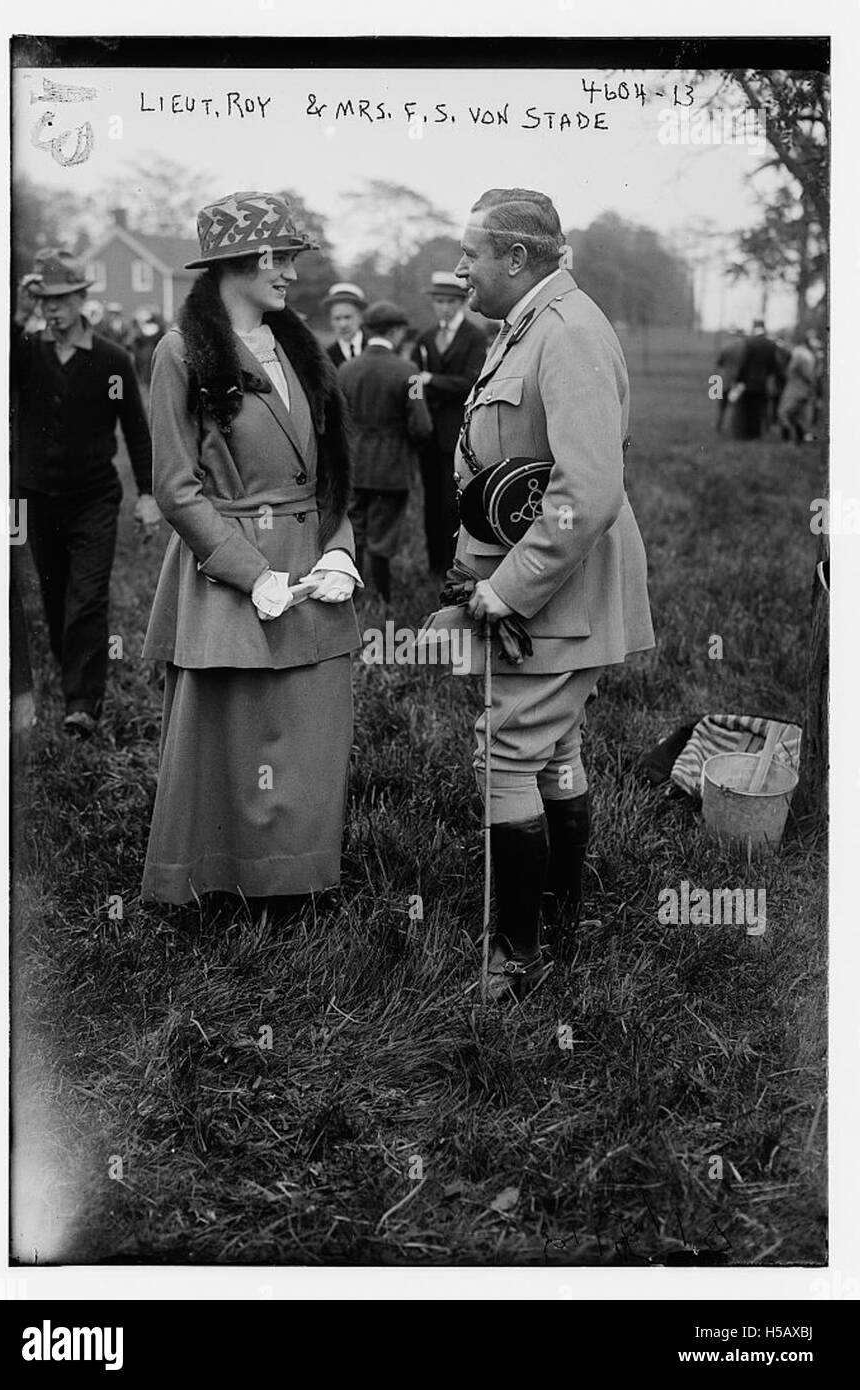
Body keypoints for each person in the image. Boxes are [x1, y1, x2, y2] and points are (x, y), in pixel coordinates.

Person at [444, 187, 654, 1001]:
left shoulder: (565, 333)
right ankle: (561, 919)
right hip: (543, 582)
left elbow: (589, 488)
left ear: (517, 258)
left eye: (471, 253)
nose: (459, 267)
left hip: (554, 589)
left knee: (506, 755)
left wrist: (512, 588)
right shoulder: (528, 325)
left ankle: (515, 957)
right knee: (553, 748)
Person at [140, 191, 363, 914]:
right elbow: (175, 489)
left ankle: (295, 878)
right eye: (278, 257)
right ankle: (216, 880)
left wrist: (338, 550)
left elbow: (333, 472)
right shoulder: (180, 353)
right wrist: (249, 573)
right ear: (235, 262)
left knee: (306, 731)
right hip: (227, 573)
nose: (291, 273)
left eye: (291, 257)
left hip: (308, 560)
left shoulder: (303, 348)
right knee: (229, 736)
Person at [11, 250, 161, 738]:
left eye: (60, 300)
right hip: (37, 496)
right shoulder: (27, 355)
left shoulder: (111, 362)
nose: (51, 310)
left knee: (87, 597)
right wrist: (16, 313)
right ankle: (69, 666)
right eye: (43, 301)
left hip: (94, 498)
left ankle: (83, 702)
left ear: (81, 299)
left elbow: (136, 431)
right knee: (54, 597)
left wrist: (146, 495)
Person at [338, 300, 433, 602]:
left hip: (354, 462)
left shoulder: (345, 370)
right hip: (391, 466)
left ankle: (352, 592)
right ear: (395, 332)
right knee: (384, 532)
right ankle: (383, 596)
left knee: (355, 529)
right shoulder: (410, 372)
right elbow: (422, 425)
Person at [412, 271, 487, 574]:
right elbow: (414, 381)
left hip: (458, 432)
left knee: (451, 502)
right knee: (431, 501)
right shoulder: (425, 337)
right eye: (439, 302)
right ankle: (434, 566)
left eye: (450, 302)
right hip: (428, 431)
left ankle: (454, 567)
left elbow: (471, 381)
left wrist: (432, 380)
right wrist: (420, 392)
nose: (444, 307)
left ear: (460, 302)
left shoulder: (474, 336)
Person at [731, 319, 779, 440]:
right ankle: (755, 434)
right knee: (758, 410)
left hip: (748, 382)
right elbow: (772, 365)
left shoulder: (749, 343)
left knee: (746, 409)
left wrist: (738, 379)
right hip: (762, 383)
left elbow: (744, 363)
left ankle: (744, 434)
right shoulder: (770, 344)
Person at [778, 330, 820, 444]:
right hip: (800, 389)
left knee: (786, 413)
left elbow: (805, 374)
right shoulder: (808, 355)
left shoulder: (800, 355)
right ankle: (797, 438)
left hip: (797, 390)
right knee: (796, 415)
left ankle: (792, 439)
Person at [323, 282, 367, 366]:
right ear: (331, 321)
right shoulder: (327, 357)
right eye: (337, 318)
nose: (343, 324)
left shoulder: (374, 349)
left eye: (348, 317)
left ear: (360, 318)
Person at [713, 327, 746, 434]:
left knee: (722, 407)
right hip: (738, 383)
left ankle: (719, 426)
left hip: (724, 381)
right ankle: (734, 428)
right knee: (736, 406)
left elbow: (719, 363)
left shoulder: (726, 347)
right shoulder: (746, 348)